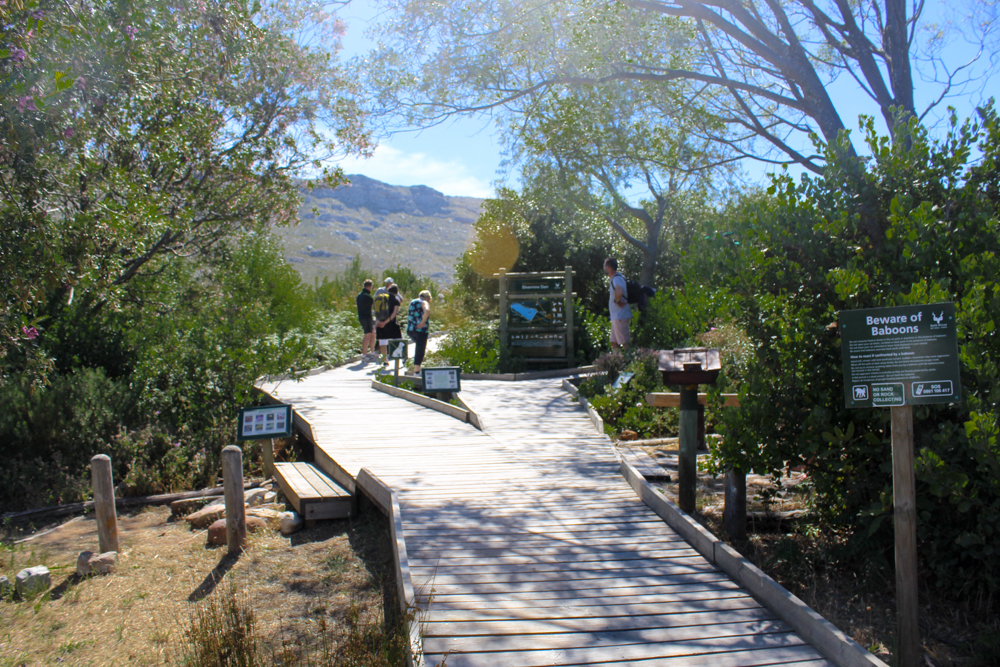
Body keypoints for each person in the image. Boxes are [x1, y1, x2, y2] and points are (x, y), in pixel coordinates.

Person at [603, 257, 631, 351]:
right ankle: (618, 363)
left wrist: (616, 301)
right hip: (617, 316)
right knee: (614, 342)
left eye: (605, 266)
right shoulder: (617, 278)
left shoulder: (616, 279)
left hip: (620, 316)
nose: (604, 268)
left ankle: (631, 363)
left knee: (625, 343)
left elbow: (619, 291)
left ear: (609, 267)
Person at [376, 284, 403, 366]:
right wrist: (387, 321)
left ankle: (385, 361)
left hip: (380, 322)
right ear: (396, 291)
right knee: (399, 341)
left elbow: (376, 310)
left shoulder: (380, 298)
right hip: (391, 323)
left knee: (383, 342)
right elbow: (395, 313)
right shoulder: (395, 299)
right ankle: (400, 359)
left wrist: (379, 322)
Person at [406, 289, 432, 374]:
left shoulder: (412, 302)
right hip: (421, 330)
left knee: (418, 347)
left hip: (410, 329)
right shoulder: (424, 302)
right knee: (420, 349)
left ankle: (416, 364)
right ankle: (417, 371)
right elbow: (427, 311)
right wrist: (422, 322)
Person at [355, 279, 376, 360]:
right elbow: (371, 307)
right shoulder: (368, 297)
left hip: (361, 316)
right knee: (367, 334)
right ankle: (364, 355)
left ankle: (372, 352)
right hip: (367, 317)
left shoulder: (359, 296)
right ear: (370, 286)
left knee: (373, 333)